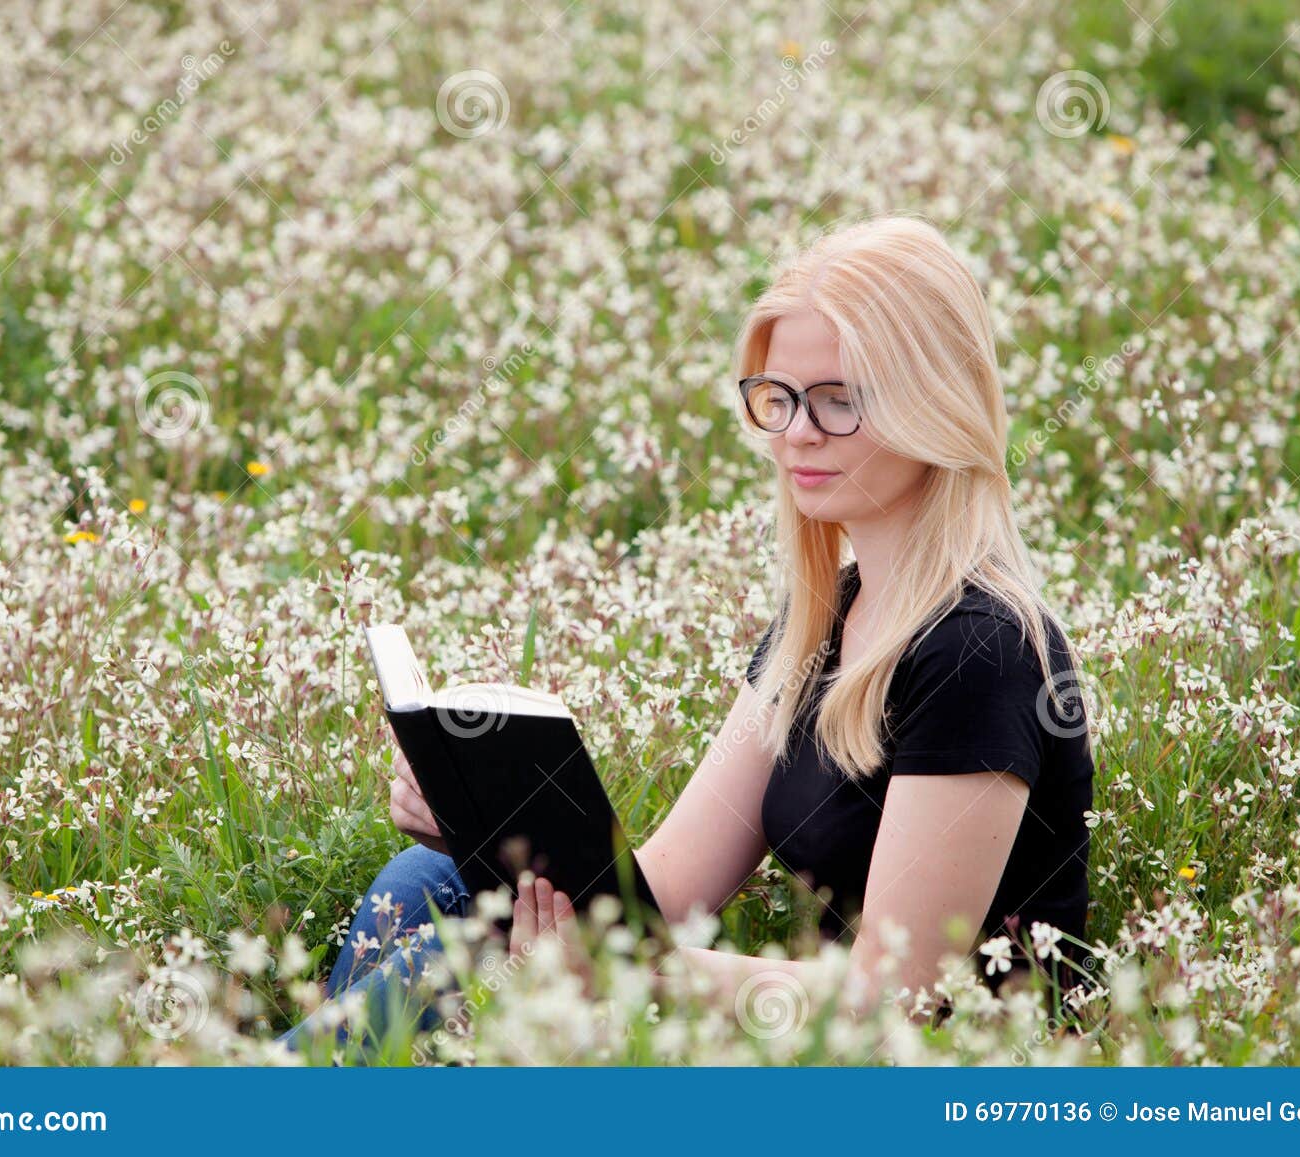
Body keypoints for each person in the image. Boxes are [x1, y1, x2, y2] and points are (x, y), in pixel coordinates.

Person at [280, 212, 1098, 1060]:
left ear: (937, 403)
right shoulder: (823, 623)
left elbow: (891, 999)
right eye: (778, 398)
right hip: (804, 1031)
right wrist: (477, 822)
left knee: (455, 958)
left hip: (932, 1075)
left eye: (840, 399)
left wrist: (638, 972)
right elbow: (665, 888)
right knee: (429, 883)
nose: (797, 432)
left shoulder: (980, 652)